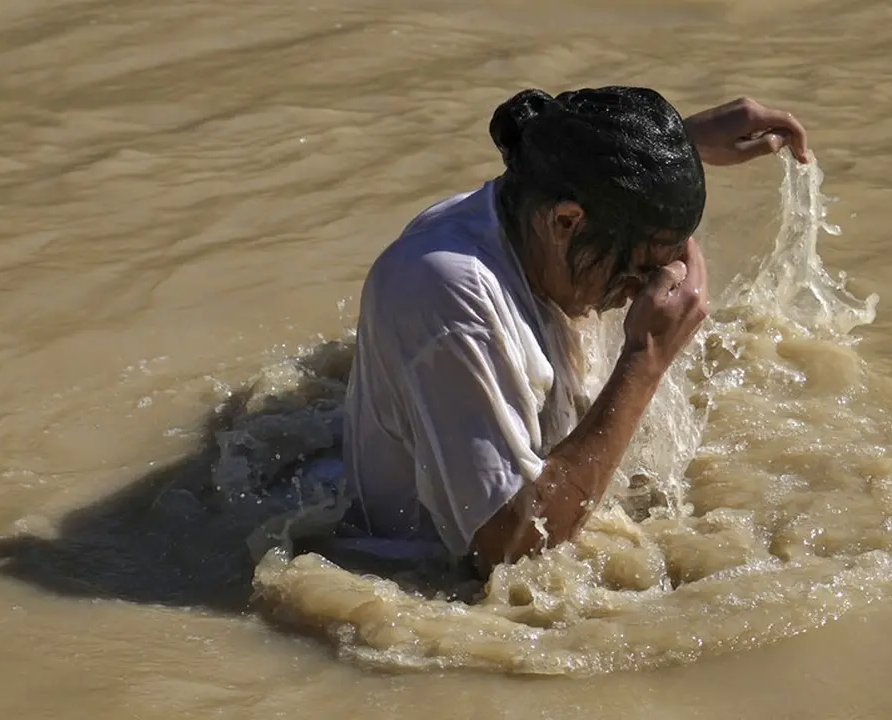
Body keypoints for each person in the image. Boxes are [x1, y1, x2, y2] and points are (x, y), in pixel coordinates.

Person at [328, 87, 809, 577]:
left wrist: (671, 149)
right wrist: (645, 357)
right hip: (415, 573)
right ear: (566, 221)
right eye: (640, 268)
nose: (641, 292)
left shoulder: (528, 216)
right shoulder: (449, 293)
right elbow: (509, 548)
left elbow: (593, 199)